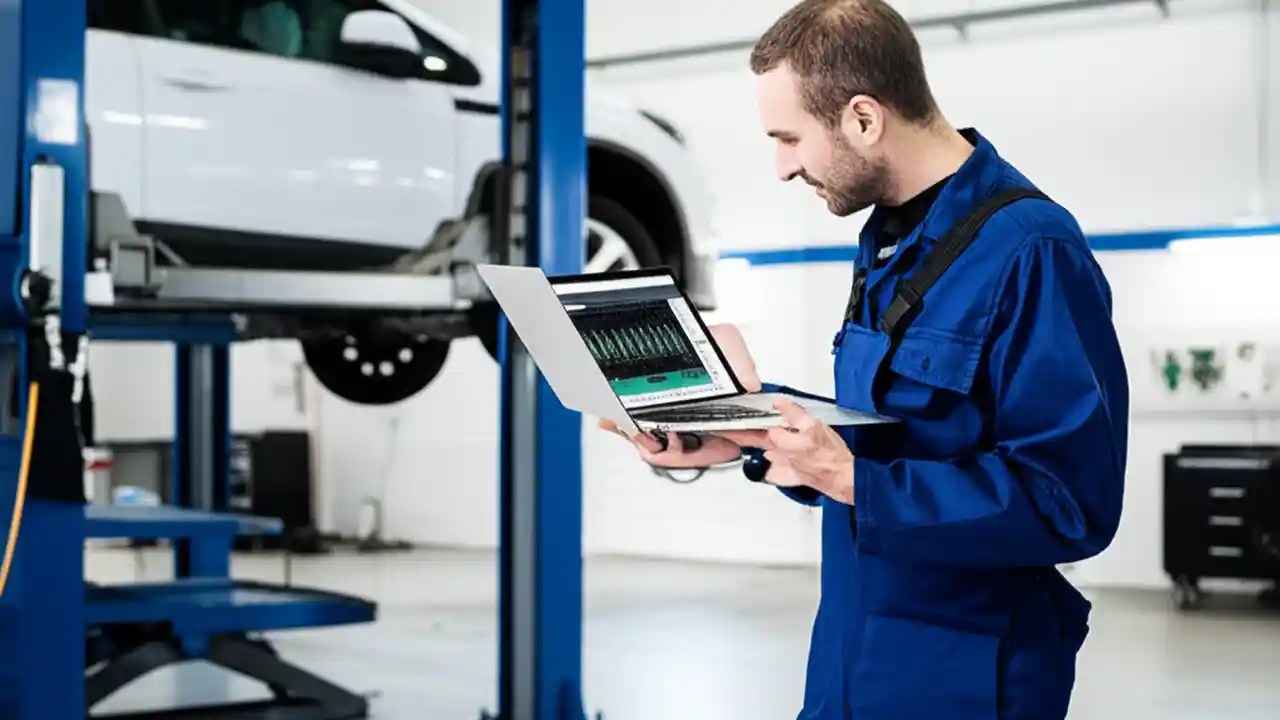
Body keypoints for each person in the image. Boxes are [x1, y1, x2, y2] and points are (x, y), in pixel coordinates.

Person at [601, 0, 1129, 718]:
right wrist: (745, 428)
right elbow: (893, 431)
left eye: (789, 138)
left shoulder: (1032, 250)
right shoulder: (887, 235)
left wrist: (853, 480)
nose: (783, 167)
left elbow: (1072, 505)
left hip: (970, 678)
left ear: (863, 118)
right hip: (855, 659)